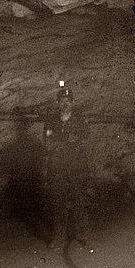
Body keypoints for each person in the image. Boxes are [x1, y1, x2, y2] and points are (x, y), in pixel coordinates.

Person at [42, 82, 89, 249]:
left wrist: (64, 142)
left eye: (68, 100)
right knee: (58, 203)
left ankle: (81, 235)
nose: (65, 103)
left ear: (73, 103)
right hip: (58, 169)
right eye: (62, 101)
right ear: (58, 103)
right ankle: (59, 236)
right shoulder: (51, 122)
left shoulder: (80, 121)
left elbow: (84, 142)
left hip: (76, 168)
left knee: (79, 201)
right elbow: (47, 143)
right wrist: (65, 142)